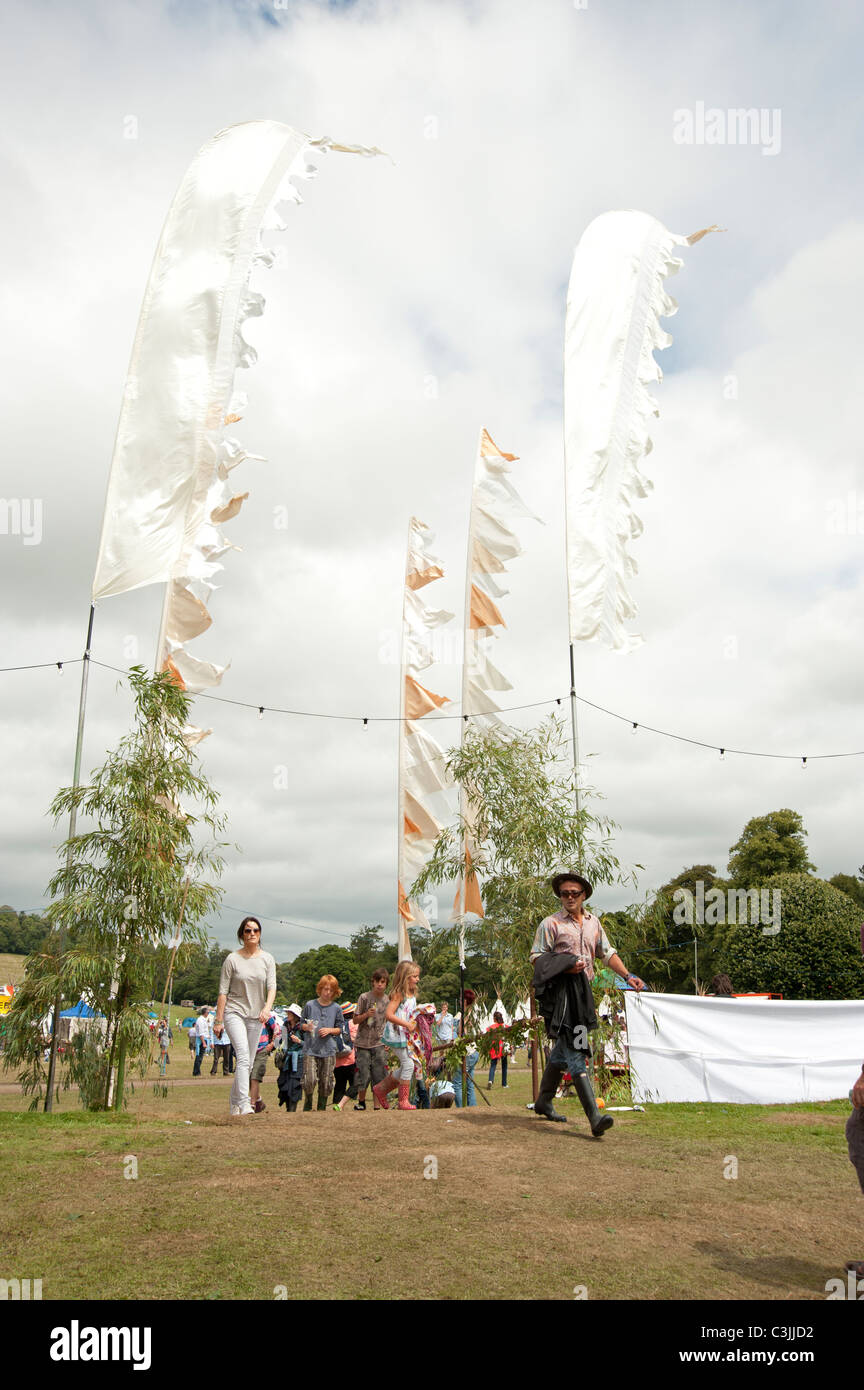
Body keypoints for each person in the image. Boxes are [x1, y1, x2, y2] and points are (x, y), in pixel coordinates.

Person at [530, 872, 646, 1136]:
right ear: (559, 896)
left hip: (584, 996)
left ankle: (543, 1101)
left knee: (562, 1050)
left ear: (584, 896)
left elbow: (607, 953)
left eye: (574, 893)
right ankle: (594, 1117)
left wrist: (629, 976)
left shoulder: (594, 923)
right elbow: (537, 958)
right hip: (561, 998)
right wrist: (566, 966)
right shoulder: (551, 924)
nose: (569, 898)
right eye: (564, 893)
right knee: (577, 1051)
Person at [213, 916, 277, 1117]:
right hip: (235, 1012)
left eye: (255, 931)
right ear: (242, 934)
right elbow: (223, 991)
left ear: (260, 935)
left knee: (248, 1062)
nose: (252, 934)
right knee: (242, 1056)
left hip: (256, 1016)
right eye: (248, 931)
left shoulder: (267, 959)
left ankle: (233, 1103)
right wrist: (218, 1020)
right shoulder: (232, 959)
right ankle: (244, 1103)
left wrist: (267, 1008)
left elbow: (272, 987)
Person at [374, 960, 421, 1111]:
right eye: (414, 976)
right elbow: (388, 1014)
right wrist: (406, 1024)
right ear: (406, 977)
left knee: (408, 1066)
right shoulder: (398, 995)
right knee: (408, 1065)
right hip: (397, 1034)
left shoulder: (412, 994)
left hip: (406, 1035)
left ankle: (381, 1089)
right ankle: (403, 1101)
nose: (417, 979)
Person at [301, 975, 346, 1111]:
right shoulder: (310, 1005)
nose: (328, 993)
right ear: (320, 989)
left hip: (328, 1049)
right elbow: (301, 1023)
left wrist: (330, 1030)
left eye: (331, 990)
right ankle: (308, 1101)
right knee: (309, 1079)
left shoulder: (337, 1008)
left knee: (326, 1082)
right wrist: (307, 1027)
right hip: (311, 1048)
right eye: (325, 989)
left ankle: (322, 1106)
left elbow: (341, 1028)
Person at [353, 968, 390, 1111]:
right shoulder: (364, 997)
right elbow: (355, 1020)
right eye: (377, 981)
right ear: (372, 982)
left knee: (379, 1074)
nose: (379, 985)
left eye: (383, 982)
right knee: (363, 1073)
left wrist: (388, 1042)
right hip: (363, 1042)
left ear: (386, 984)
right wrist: (366, 1014)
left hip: (380, 1042)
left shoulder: (388, 1000)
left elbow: (390, 1022)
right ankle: (361, 1101)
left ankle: (376, 1105)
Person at [452, 988, 479, 1107]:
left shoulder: (466, 1015)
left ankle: (461, 1108)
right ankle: (472, 1107)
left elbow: (461, 1032)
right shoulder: (474, 1012)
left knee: (457, 1082)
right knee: (469, 1084)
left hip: (467, 1052)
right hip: (474, 1051)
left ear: (464, 1001)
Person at [249, 1010, 279, 1113]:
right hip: (249, 1050)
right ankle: (259, 1101)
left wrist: (272, 1044)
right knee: (249, 1079)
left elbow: (277, 1029)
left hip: (262, 1049)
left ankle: (252, 1104)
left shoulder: (265, 1014)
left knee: (255, 1076)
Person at [276, 1004, 305, 1112]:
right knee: (283, 1083)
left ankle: (292, 1109)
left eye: (289, 1013)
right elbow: (279, 1041)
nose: (287, 1014)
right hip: (287, 1060)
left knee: (294, 1085)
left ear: (295, 1015)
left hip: (299, 1060)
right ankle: (288, 1107)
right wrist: (274, 1044)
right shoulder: (285, 1025)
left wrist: (299, 1041)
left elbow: (309, 1045)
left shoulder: (302, 1028)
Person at [332, 1003, 359, 1111]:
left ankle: (337, 1105)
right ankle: (342, 1104)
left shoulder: (337, 1025)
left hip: (337, 1060)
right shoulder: (353, 1023)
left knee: (339, 1084)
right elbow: (357, 1039)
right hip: (351, 1059)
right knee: (357, 1083)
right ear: (352, 1013)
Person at [486, 1011, 508, 1089]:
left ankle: (490, 1080)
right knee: (504, 1065)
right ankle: (504, 1083)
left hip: (494, 1048)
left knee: (493, 1065)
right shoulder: (505, 1026)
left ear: (495, 1018)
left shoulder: (491, 1027)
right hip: (503, 1048)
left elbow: (487, 1034)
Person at [192, 1007, 212, 1076]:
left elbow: (206, 1029)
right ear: (205, 1013)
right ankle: (196, 1071)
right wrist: (203, 1042)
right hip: (200, 1040)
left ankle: (197, 1071)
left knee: (201, 1056)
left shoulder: (204, 1020)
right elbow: (200, 1032)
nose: (208, 1014)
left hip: (204, 1039)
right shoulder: (200, 1020)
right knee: (198, 1056)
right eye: (208, 1013)